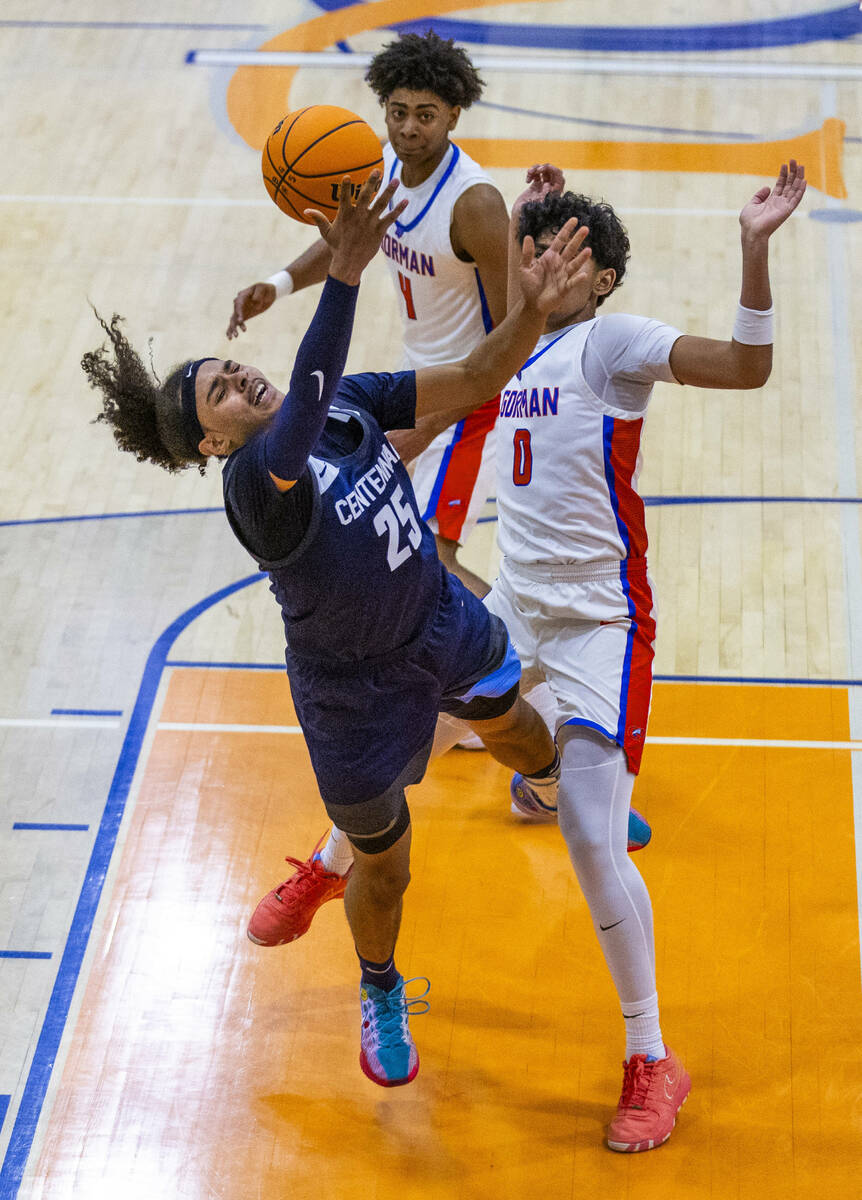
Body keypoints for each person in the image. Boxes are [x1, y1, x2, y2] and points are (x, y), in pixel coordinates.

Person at [269, 159, 807, 1146]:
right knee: (408, 738)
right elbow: (430, 418)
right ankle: (334, 863)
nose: (546, 263)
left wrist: (752, 249)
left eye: (568, 253)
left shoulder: (613, 342)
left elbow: (746, 366)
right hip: (514, 603)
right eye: (533, 248)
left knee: (594, 843)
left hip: (600, 620)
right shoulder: (505, 353)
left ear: (602, 278)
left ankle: (651, 1055)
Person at [82, 171, 594, 1089]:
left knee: (517, 725)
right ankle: (381, 986)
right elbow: (304, 405)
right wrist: (345, 275)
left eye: (231, 366)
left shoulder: (350, 401)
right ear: (213, 444)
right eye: (220, 393)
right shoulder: (254, 485)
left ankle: (551, 790)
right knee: (387, 871)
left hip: (437, 619)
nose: (240, 377)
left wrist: (533, 309)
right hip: (352, 695)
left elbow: (479, 376)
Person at [226, 30, 510, 600]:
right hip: (415, 381)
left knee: (431, 552)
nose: (409, 128)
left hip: (475, 395)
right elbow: (346, 241)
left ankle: (513, 647)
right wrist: (279, 285)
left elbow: (512, 338)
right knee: (396, 544)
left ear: (454, 115)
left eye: (426, 115)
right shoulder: (381, 165)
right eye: (398, 112)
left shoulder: (473, 204)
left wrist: (429, 426)